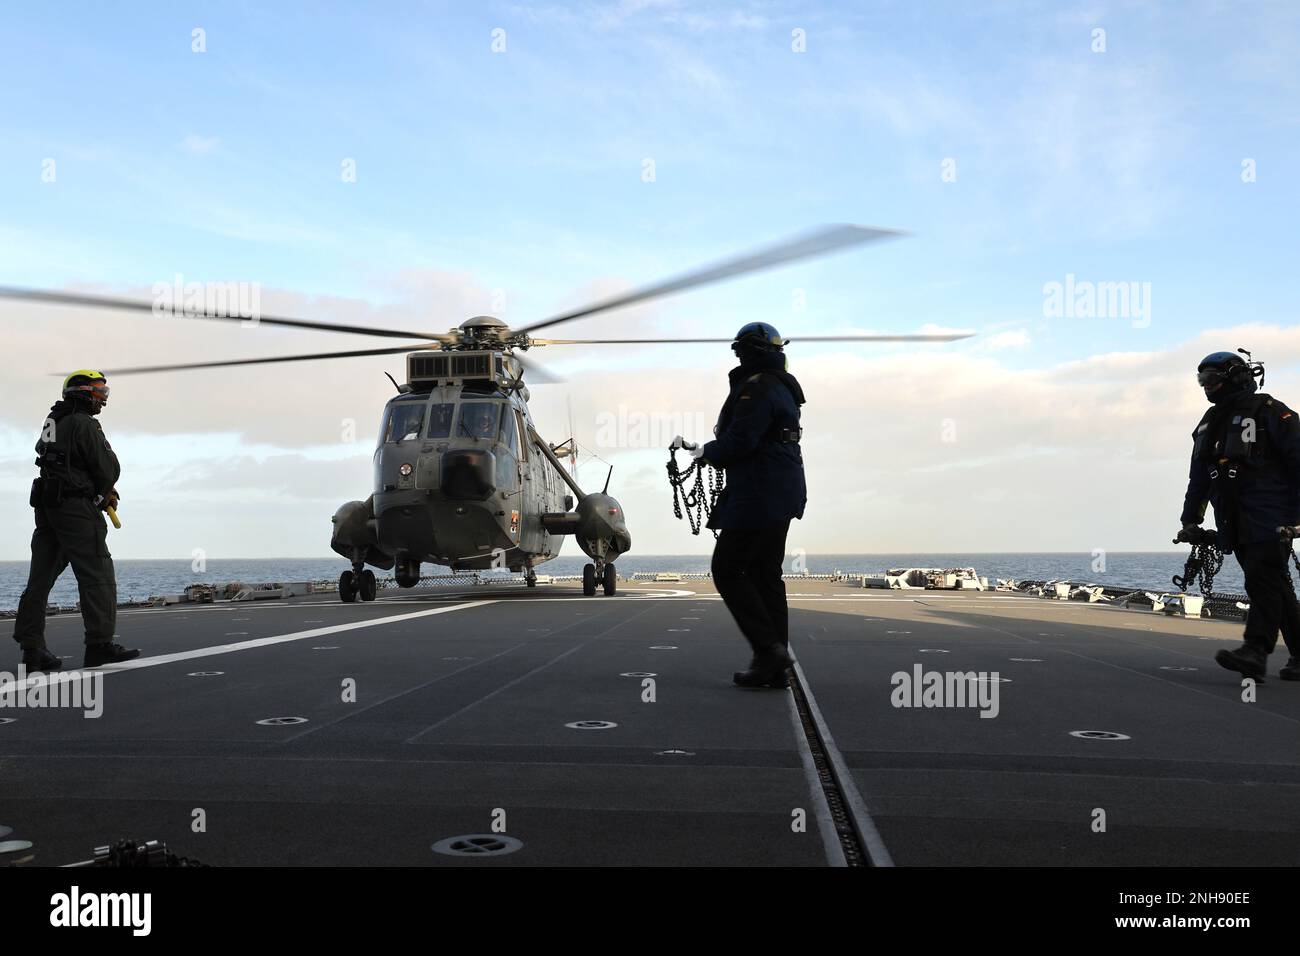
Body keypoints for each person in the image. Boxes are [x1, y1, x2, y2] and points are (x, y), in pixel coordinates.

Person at [677, 322, 807, 689]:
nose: (737, 357)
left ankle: (768, 651)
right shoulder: (782, 387)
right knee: (766, 575)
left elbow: (741, 442)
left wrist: (703, 451)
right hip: (782, 490)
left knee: (728, 570)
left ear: (748, 352)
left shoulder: (757, 388)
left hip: (758, 493)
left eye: (739, 351)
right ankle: (775, 664)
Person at [1178, 350, 1300, 681]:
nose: (1207, 387)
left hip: (1271, 517)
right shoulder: (1208, 424)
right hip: (1234, 520)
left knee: (1262, 580)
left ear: (1234, 378)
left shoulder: (1272, 413)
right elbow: (1199, 478)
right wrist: (1190, 520)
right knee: (1274, 584)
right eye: (1202, 381)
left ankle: (1255, 652)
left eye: (1213, 380)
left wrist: (1295, 517)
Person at [12, 370, 140, 671]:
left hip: (48, 508)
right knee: (98, 573)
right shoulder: (85, 424)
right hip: (75, 510)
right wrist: (102, 490)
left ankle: (32, 648)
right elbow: (108, 470)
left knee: (40, 579)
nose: (103, 401)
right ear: (83, 392)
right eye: (100, 393)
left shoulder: (52, 422)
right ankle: (100, 645)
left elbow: (55, 461)